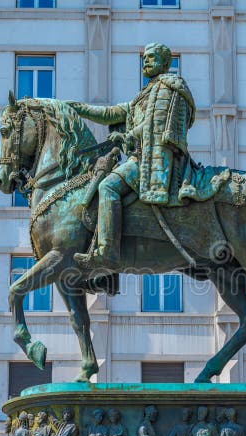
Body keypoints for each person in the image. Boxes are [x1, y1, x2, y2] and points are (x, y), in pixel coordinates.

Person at [68, 42, 196, 269]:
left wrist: (126, 135)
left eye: (151, 57)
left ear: (165, 63)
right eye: (144, 57)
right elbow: (109, 113)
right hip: (140, 156)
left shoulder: (169, 88)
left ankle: (107, 251)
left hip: (155, 158)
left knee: (108, 187)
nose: (145, 61)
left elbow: (154, 124)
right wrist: (77, 108)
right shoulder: (143, 96)